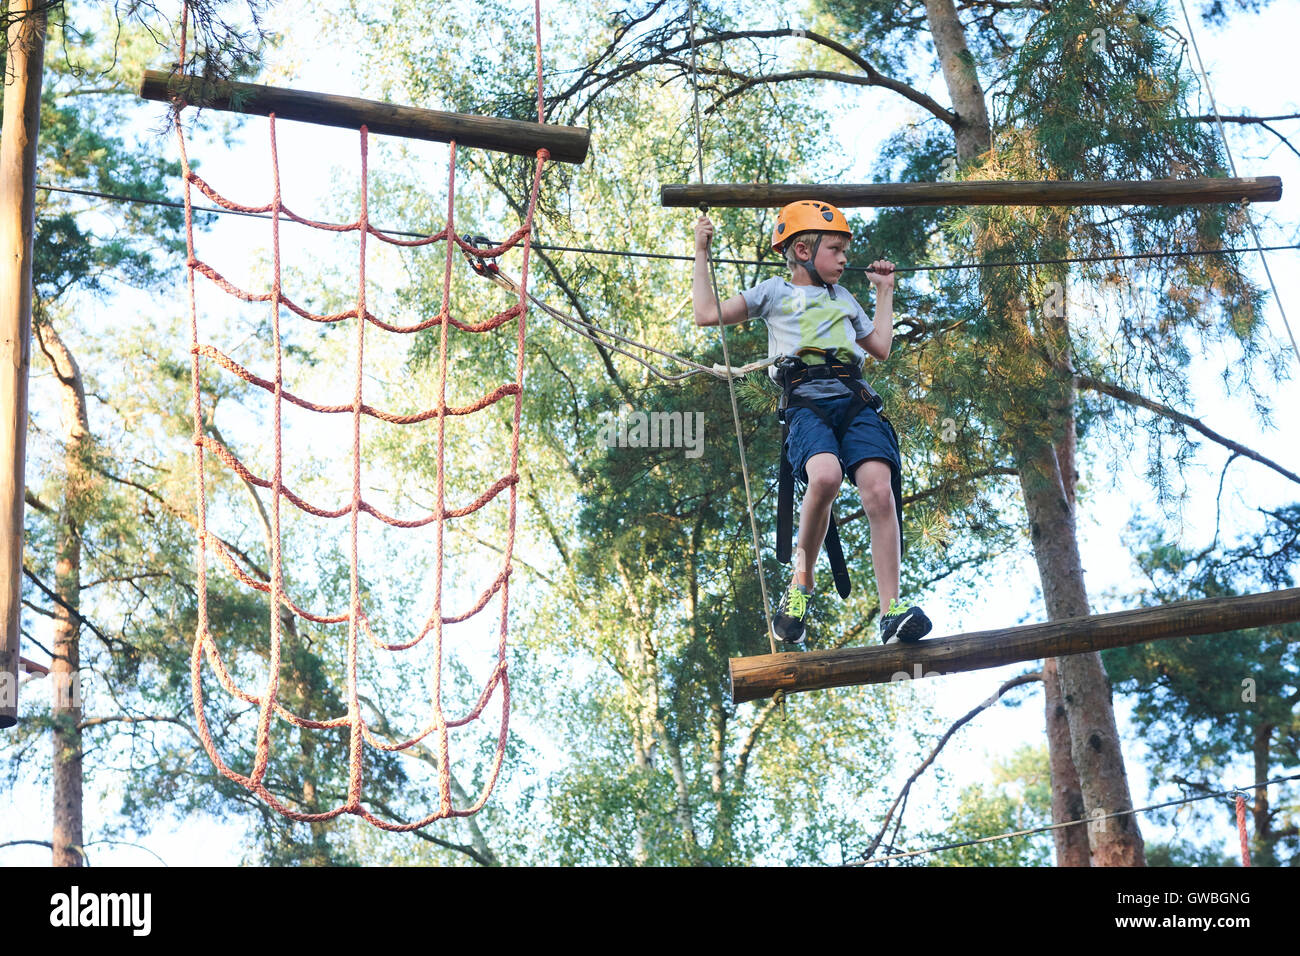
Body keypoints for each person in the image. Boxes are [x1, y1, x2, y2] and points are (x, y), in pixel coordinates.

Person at [692, 200, 932, 648]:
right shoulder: (773, 293)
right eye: (836, 248)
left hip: (855, 400)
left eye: (846, 249)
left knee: (879, 490)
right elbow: (706, 314)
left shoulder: (844, 298)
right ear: (803, 250)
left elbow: (879, 347)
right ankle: (801, 587)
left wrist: (884, 291)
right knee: (825, 476)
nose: (845, 258)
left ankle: (891, 610)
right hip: (806, 404)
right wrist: (701, 251)